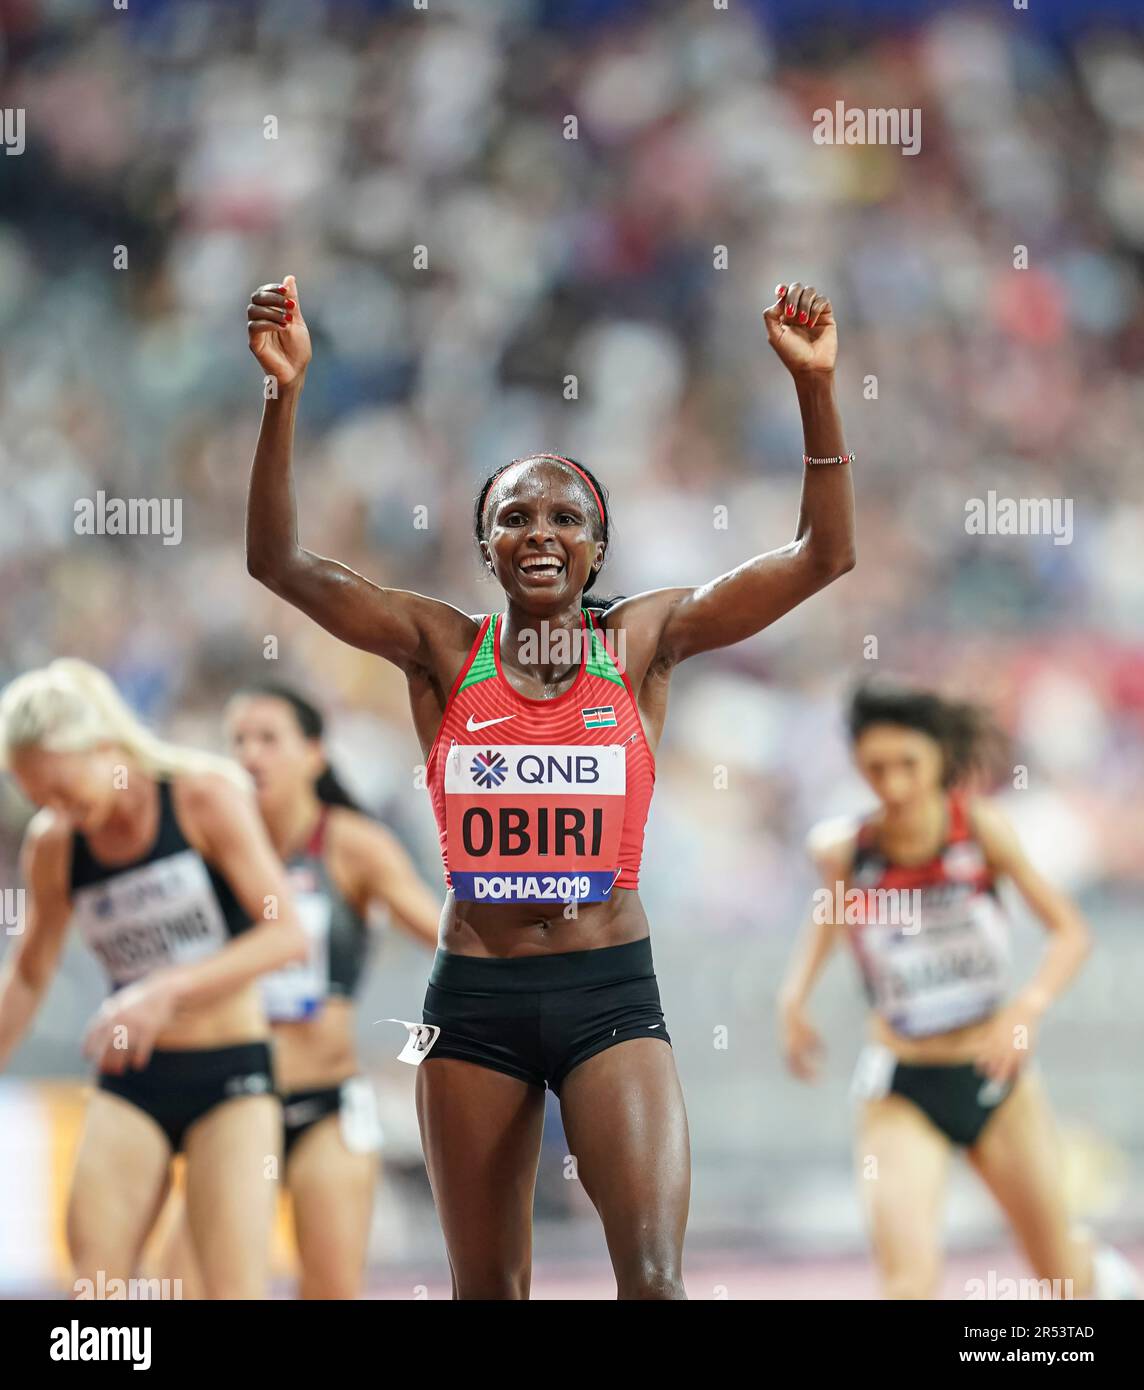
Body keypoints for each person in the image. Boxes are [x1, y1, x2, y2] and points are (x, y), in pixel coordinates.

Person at [244, 272, 855, 1299]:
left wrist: (815, 389)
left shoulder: (643, 641)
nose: (539, 530)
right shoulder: (438, 646)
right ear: (485, 545)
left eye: (564, 516)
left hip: (608, 990)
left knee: (655, 1283)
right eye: (514, 515)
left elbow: (822, 555)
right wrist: (283, 394)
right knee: (488, 1289)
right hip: (473, 998)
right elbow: (276, 561)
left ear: (598, 546)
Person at [778, 680, 1139, 1300]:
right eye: (875, 769)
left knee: (1061, 1277)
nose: (892, 786)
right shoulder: (848, 851)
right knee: (909, 1285)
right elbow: (831, 913)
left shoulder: (981, 835)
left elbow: (1071, 933)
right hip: (902, 1084)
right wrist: (794, 999)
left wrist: (1025, 1011)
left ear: (941, 759)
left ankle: (1100, 1278)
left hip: (996, 1079)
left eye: (908, 766)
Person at [0, 659, 308, 1300]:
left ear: (104, 745)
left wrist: (164, 990)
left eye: (64, 789)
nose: (59, 810)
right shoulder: (55, 844)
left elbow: (285, 934)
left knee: (231, 1291)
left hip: (231, 1076)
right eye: (39, 798)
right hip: (132, 1081)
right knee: (95, 1288)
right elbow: (29, 976)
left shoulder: (201, 797)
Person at [153, 683, 441, 1299]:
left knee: (330, 1288)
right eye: (237, 742)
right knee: (180, 1285)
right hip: (230, 1103)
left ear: (314, 754)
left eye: (268, 739)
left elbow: (446, 937)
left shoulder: (352, 845)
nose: (251, 755)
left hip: (326, 1107)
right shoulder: (211, 845)